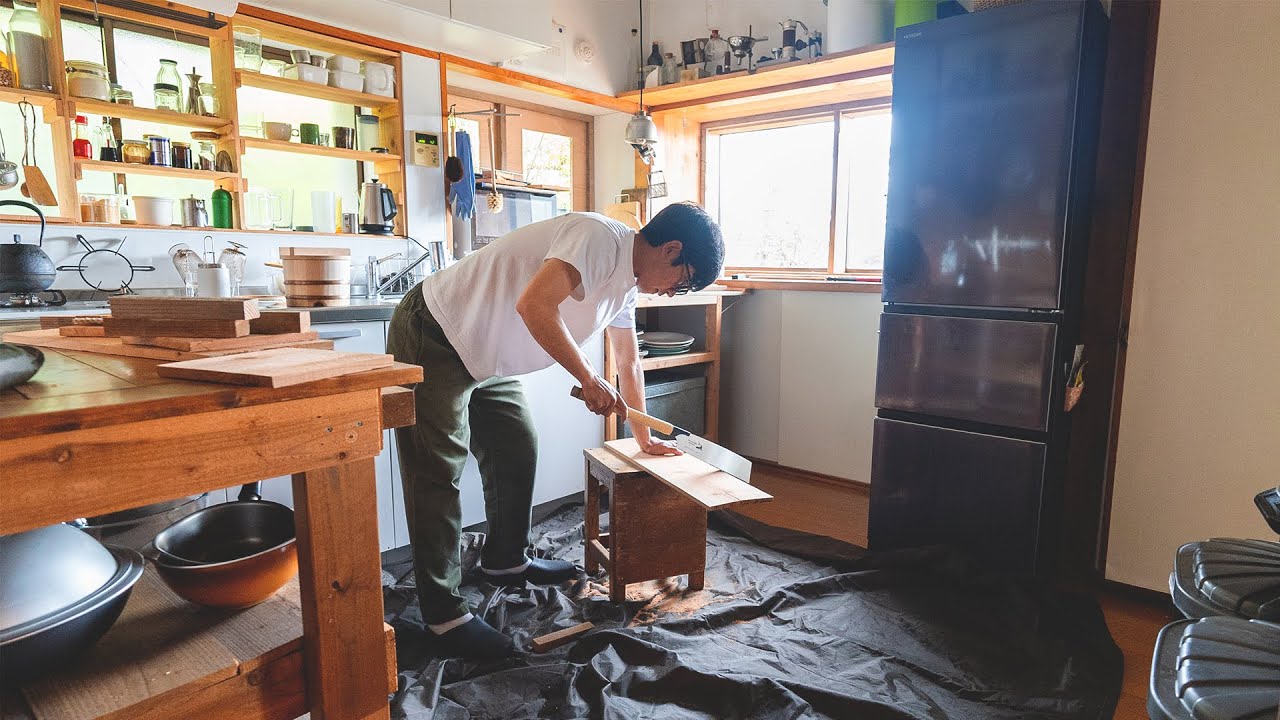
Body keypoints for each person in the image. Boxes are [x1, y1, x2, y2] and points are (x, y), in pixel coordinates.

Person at [388, 201, 725, 660]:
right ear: (670, 249)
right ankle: (445, 616)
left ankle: (505, 561)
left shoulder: (626, 287)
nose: (673, 292)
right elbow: (535, 305)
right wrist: (587, 379)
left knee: (516, 446)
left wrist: (643, 436)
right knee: (436, 470)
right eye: (682, 281)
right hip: (437, 330)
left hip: (486, 355)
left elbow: (628, 360)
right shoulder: (598, 238)